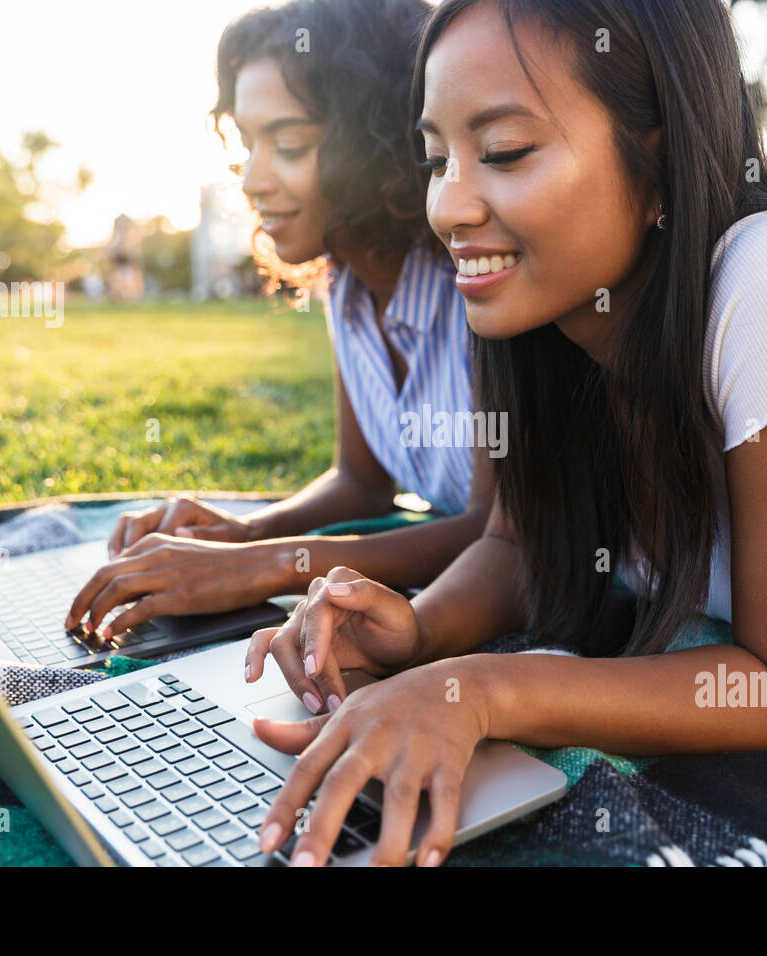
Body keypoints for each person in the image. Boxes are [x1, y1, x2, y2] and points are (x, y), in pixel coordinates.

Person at [241, 0, 767, 867]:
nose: (449, 206)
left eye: (503, 152)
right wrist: (419, 633)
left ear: (657, 157)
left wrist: (479, 689)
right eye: (437, 159)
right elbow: (516, 543)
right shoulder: (549, 317)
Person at [66, 0, 492, 644]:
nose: (252, 180)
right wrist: (239, 534)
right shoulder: (345, 284)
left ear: (377, 143)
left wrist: (257, 566)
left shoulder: (477, 281)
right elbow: (362, 482)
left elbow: (497, 534)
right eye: (245, 144)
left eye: (289, 144)